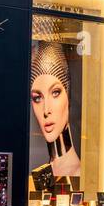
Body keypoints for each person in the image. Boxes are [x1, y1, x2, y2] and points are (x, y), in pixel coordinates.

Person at [30, 41, 81, 186]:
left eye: (55, 92)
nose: (46, 110)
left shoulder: (76, 170)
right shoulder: (43, 171)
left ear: (68, 97)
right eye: (37, 98)